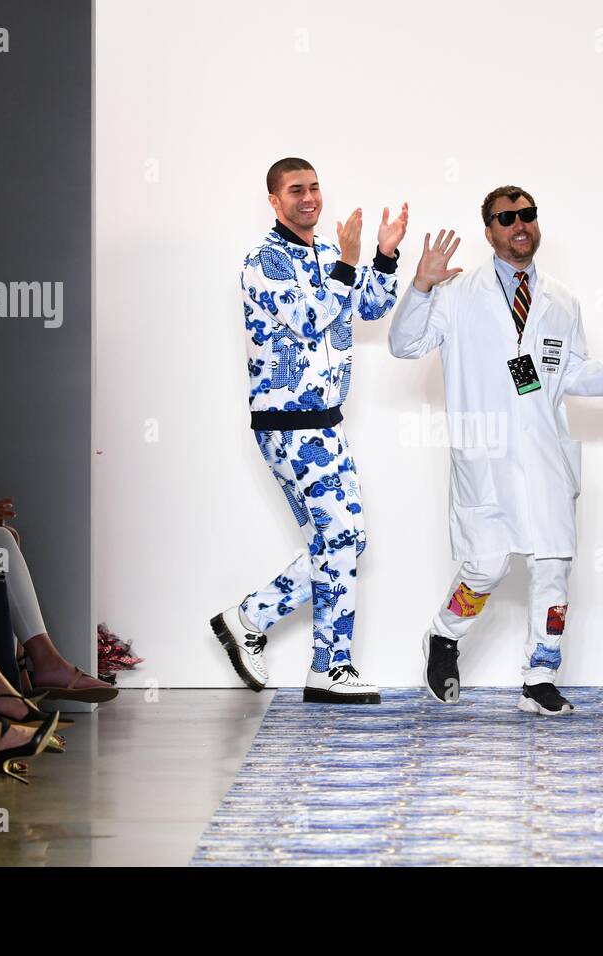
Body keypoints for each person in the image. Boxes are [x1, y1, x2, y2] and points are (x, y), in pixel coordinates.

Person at [389, 185, 603, 716]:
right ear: (490, 232)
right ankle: (445, 636)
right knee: (487, 566)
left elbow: (568, 373)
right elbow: (404, 345)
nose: (520, 224)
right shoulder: (454, 294)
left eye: (528, 215)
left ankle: (539, 677)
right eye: (507, 218)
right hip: (486, 453)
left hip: (545, 454)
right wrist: (422, 286)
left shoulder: (561, 301)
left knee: (552, 569)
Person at [210, 157, 408, 703]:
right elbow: (308, 319)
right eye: (296, 190)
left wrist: (385, 255)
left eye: (315, 187)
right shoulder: (262, 261)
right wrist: (349, 261)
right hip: (288, 424)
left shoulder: (326, 253)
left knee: (345, 538)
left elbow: (370, 307)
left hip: (327, 422)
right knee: (341, 538)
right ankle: (326, 662)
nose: (309, 198)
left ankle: (255, 622)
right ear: (274, 200)